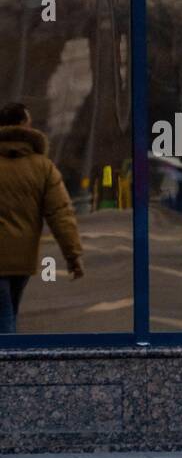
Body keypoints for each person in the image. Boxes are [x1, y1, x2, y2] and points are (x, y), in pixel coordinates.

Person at [0, 102, 84, 332]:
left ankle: (9, 360)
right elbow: (60, 214)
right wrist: (73, 256)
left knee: (5, 314)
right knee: (8, 313)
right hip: (21, 259)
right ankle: (10, 361)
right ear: (23, 126)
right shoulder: (42, 167)